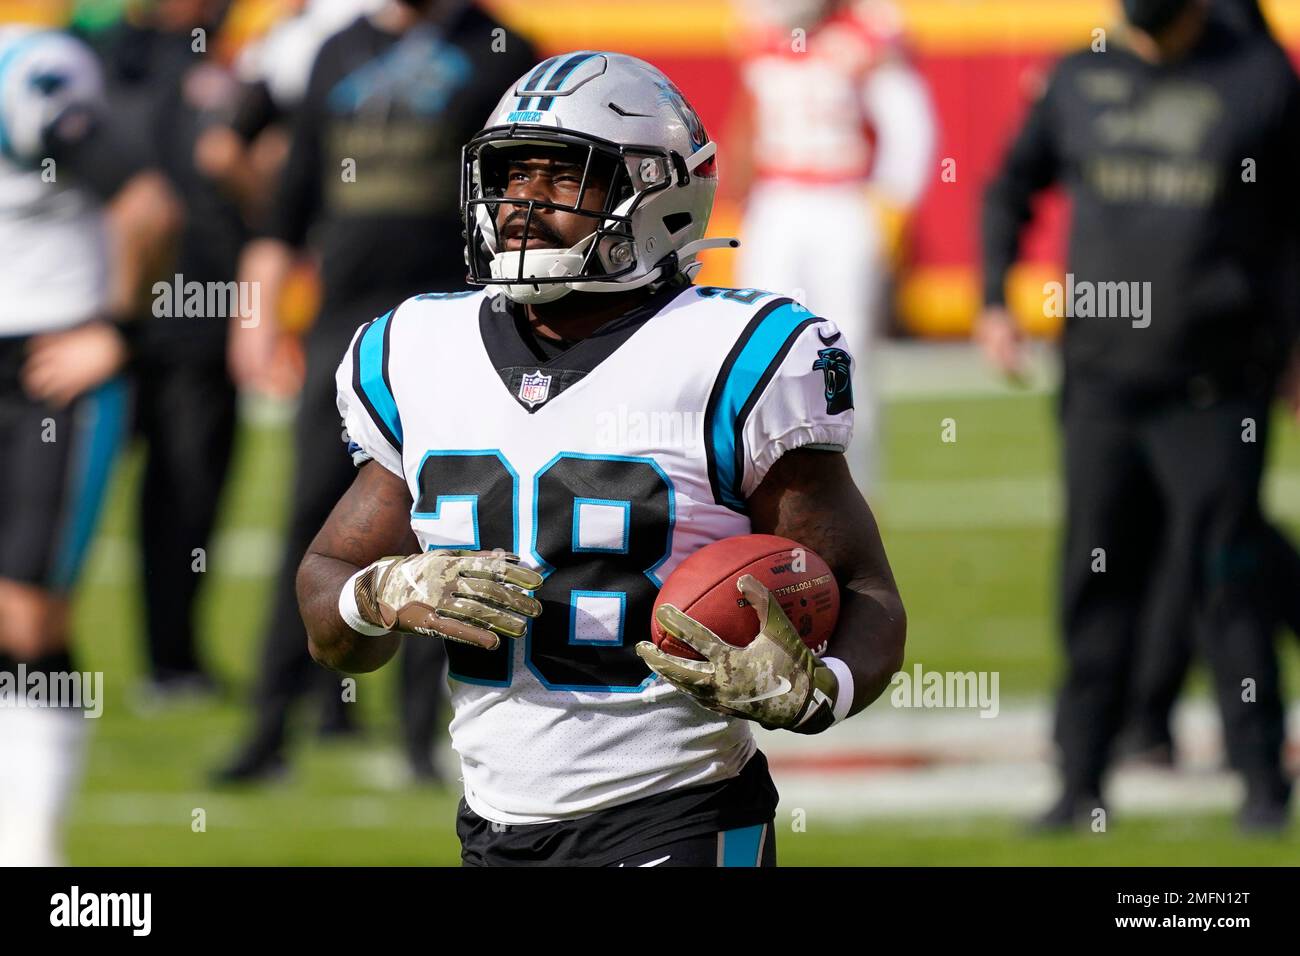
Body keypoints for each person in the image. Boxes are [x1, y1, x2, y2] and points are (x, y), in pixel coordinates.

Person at [298, 52, 907, 866]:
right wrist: (380, 595)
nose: (523, 202)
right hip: (493, 828)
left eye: (563, 178)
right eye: (511, 176)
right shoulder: (416, 347)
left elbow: (866, 590)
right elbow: (328, 594)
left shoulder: (735, 352)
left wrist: (816, 689)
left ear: (657, 190)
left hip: (678, 816)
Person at [979, 0, 1300, 831]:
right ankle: (1080, 782)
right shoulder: (1081, 73)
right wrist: (992, 298)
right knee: (1094, 580)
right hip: (1101, 380)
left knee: (1227, 579)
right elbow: (1012, 183)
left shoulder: (1257, 74)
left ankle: (1263, 785)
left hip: (1215, 382)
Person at [214, 0, 536, 784]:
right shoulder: (334, 49)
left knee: (453, 531)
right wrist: (253, 317)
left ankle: (425, 737)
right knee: (312, 526)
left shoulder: (501, 48)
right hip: (346, 329)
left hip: (463, 327)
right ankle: (269, 727)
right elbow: (290, 199)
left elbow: (531, 198)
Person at [0, 23, 181, 865]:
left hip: (45, 366)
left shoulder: (27, 74)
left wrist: (114, 328)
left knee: (30, 612)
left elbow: (146, 202)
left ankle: (33, 845)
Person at [91, 0, 247, 704]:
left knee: (186, 502)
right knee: (42, 497)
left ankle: (172, 662)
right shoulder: (90, 59)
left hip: (197, 321)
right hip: (96, 320)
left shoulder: (230, 64)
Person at [728, 0, 935, 491]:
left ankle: (854, 487)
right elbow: (749, 117)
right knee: (759, 342)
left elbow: (910, 126)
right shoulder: (758, 30)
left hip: (842, 201)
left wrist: (891, 205)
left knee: (845, 348)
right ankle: (758, 480)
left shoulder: (865, 32)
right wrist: (734, 196)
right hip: (776, 201)